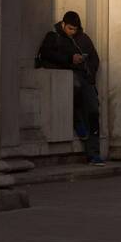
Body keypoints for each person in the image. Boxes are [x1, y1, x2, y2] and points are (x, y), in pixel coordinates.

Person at [36, 10, 104, 165]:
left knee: (93, 112)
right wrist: (69, 59)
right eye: (70, 29)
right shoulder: (54, 36)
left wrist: (91, 75)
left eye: (75, 29)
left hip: (85, 78)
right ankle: (77, 121)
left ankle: (94, 154)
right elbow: (46, 54)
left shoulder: (83, 38)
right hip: (67, 75)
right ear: (63, 24)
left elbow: (95, 59)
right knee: (74, 88)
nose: (72, 32)